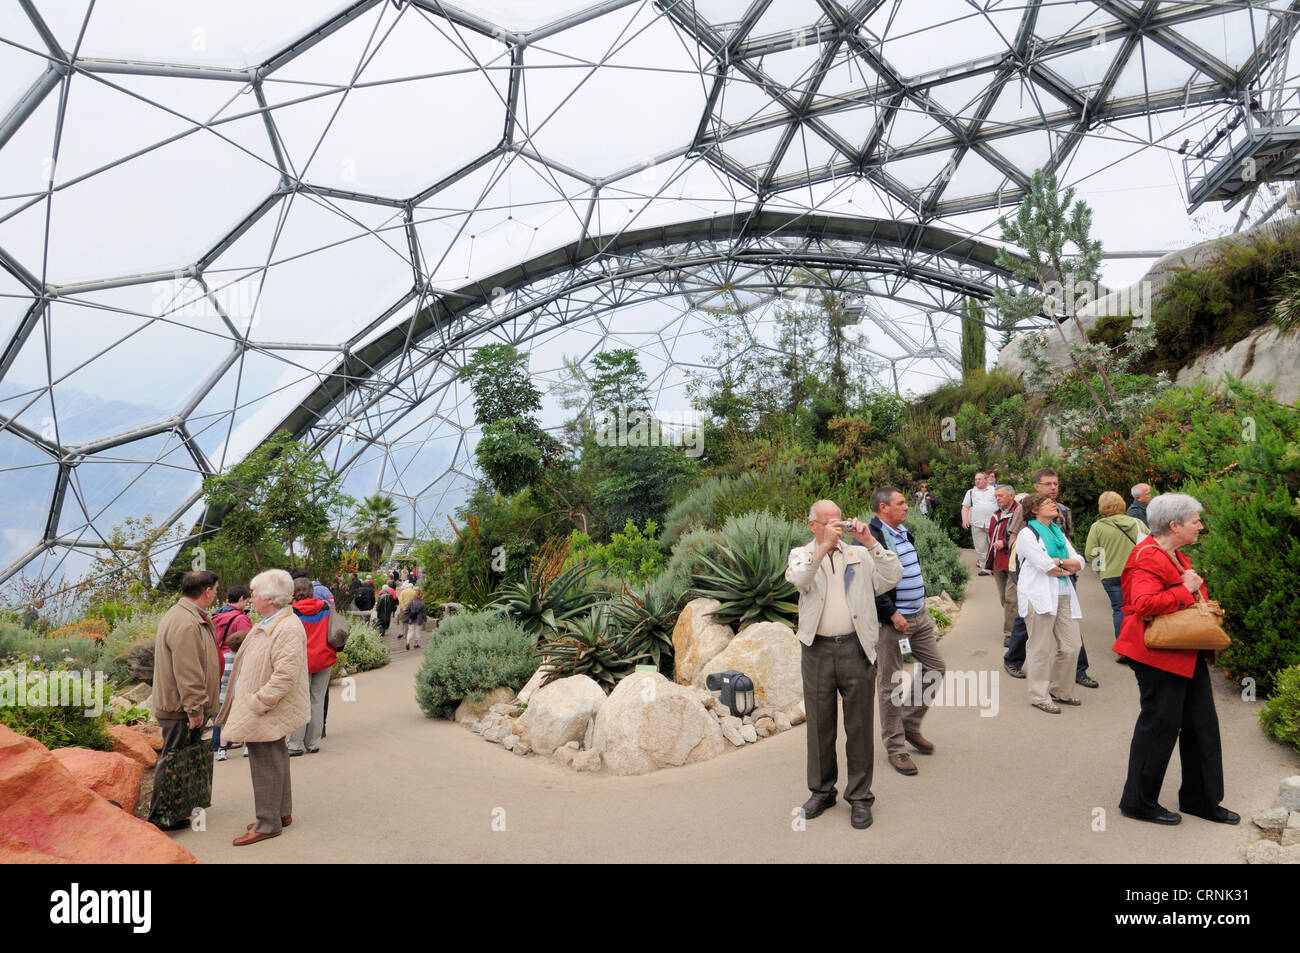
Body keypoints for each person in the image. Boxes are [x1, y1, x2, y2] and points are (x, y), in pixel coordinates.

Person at [1114, 494, 1237, 826]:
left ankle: (1201, 799)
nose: (1200, 525)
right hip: (1157, 655)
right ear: (1174, 525)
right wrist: (1185, 589)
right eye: (1195, 520)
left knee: (1202, 725)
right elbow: (1143, 604)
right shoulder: (1147, 557)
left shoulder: (1173, 555)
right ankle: (1137, 801)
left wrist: (1186, 586)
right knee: (1159, 727)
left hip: (1184, 650)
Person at [786, 499, 902, 831]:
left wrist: (870, 541)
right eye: (828, 522)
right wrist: (822, 548)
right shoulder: (802, 554)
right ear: (813, 525)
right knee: (820, 725)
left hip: (856, 648)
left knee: (860, 726)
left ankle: (861, 797)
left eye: (840, 521)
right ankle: (822, 792)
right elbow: (798, 578)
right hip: (817, 650)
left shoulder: (859, 555)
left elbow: (893, 574)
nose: (837, 528)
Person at [215, 568, 310, 846]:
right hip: (266, 707)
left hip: (266, 707)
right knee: (275, 759)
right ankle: (280, 814)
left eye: (255, 593)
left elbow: (284, 676)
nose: (251, 597)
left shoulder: (286, 627)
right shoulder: (273, 621)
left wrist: (258, 702)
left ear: (269, 598)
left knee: (265, 765)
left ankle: (267, 823)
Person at [867, 487, 945, 776]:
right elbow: (873, 583)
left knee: (936, 667)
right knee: (891, 683)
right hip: (894, 621)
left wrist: (920, 594)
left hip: (918, 616)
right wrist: (891, 612)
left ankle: (909, 724)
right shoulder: (871, 537)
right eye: (901, 503)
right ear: (884, 507)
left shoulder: (902, 532)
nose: (907, 507)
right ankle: (896, 747)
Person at [1003, 467, 1097, 690]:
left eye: (1056, 483)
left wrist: (1066, 567)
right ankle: (1013, 660)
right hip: (1035, 576)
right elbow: (1016, 541)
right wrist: (1017, 575)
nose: (1053, 487)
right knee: (1026, 624)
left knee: (1070, 629)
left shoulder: (1063, 510)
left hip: (1064, 578)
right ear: (1037, 486)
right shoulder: (1025, 509)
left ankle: (1078, 670)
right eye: (1048, 484)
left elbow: (1069, 545)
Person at [148, 569, 221, 828]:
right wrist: (194, 709)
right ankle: (161, 817)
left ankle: (175, 812)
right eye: (215, 589)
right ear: (207, 591)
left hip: (181, 705)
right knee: (173, 760)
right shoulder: (187, 622)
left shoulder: (185, 615)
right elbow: (187, 670)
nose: (216, 593)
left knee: (180, 759)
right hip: (179, 707)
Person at [1014, 494, 1084, 714]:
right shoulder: (1027, 534)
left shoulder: (1058, 532)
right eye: (1047, 503)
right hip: (1039, 596)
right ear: (1034, 510)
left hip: (1064, 594)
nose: (1054, 504)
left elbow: (1080, 562)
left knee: (1072, 646)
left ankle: (1060, 689)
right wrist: (1063, 567)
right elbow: (1045, 566)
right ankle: (1039, 695)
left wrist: (1060, 562)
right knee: (1040, 648)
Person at [1084, 491, 1149, 641]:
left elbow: (1090, 554)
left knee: (1119, 609)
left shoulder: (1097, 527)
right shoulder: (1136, 523)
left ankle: (1123, 648)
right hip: (1136, 573)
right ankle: (1140, 645)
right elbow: (1150, 546)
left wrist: (1100, 568)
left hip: (1110, 575)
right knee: (1137, 609)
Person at [286, 577, 335, 757]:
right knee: (317, 700)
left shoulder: (292, 612)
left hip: (301, 661)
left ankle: (295, 744)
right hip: (323, 657)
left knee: (299, 701)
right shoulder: (325, 607)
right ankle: (313, 743)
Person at [211, 585, 253, 760]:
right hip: (235, 660)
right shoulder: (240, 619)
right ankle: (241, 739)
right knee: (239, 703)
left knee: (220, 705)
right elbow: (249, 640)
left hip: (219, 660)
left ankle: (218, 742)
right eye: (248, 599)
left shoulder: (216, 616)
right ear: (242, 598)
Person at [985, 484, 1020, 647]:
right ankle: (1019, 623)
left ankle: (1010, 633)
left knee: (1012, 599)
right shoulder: (995, 515)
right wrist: (989, 564)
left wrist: (1005, 543)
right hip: (998, 562)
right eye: (996, 496)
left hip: (1013, 562)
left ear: (1011, 496)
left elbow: (1022, 535)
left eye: (1000, 495)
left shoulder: (1020, 513)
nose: (997, 499)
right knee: (1004, 598)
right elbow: (991, 539)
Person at [961, 472, 998, 575]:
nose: (977, 481)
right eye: (976, 479)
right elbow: (965, 507)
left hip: (993, 523)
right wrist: (964, 520)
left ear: (986, 480)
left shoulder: (994, 491)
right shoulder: (971, 492)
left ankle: (997, 567)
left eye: (980, 479)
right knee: (981, 547)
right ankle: (986, 568)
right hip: (977, 523)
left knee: (995, 546)